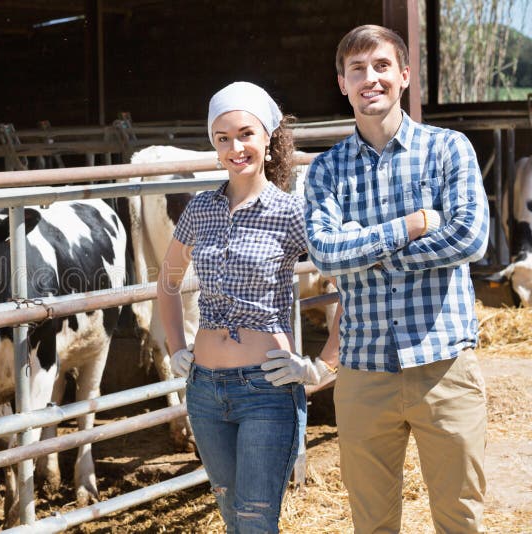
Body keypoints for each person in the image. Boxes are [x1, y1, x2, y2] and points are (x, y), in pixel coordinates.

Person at [304, 25, 489, 533]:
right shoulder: (325, 171)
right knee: (373, 524)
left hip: (444, 365)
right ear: (342, 82)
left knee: (461, 520)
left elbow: (470, 241)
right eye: (357, 69)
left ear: (404, 75)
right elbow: (325, 253)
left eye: (382, 66)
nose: (371, 79)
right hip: (363, 372)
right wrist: (407, 228)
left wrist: (368, 252)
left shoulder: (449, 149)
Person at [157, 81, 338, 533]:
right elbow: (167, 283)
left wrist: (320, 368)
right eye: (222, 139)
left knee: (256, 521)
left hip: (267, 389)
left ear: (268, 139)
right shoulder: (200, 209)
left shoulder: (292, 212)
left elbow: (349, 287)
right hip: (203, 390)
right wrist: (176, 347)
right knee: (231, 515)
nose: (234, 148)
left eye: (245, 134)